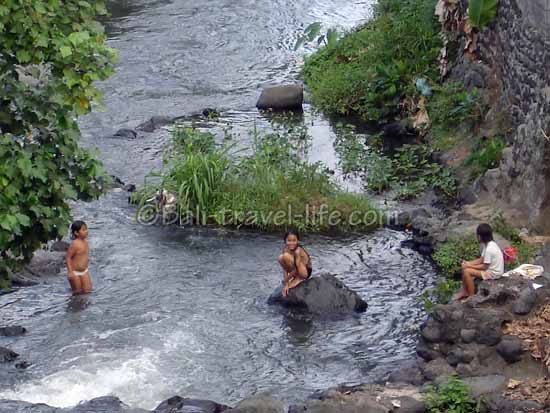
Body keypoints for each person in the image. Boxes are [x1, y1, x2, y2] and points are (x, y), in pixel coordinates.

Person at [453, 223, 504, 301]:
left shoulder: (489, 249)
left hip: (493, 273)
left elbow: (484, 266)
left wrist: (469, 266)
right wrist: (468, 263)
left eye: (477, 235)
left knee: (467, 272)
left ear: (480, 236)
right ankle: (464, 291)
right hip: (491, 269)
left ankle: (471, 296)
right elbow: (481, 259)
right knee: (465, 268)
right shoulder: (488, 244)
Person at [278, 231, 312, 297]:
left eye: (294, 240)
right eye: (289, 240)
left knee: (285, 256)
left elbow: (296, 268)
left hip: (305, 272)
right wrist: (286, 283)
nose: (291, 243)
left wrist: (285, 280)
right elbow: (284, 268)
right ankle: (295, 277)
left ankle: (299, 278)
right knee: (280, 257)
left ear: (298, 241)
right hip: (296, 270)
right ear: (285, 241)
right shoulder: (285, 249)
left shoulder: (298, 251)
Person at [65, 220, 93, 295]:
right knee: (77, 293)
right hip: (75, 272)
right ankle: (73, 305)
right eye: (83, 230)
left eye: (86, 229)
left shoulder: (85, 242)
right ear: (76, 233)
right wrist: (70, 272)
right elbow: (68, 258)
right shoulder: (74, 244)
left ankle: (86, 306)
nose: (86, 231)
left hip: (84, 271)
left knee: (88, 291)